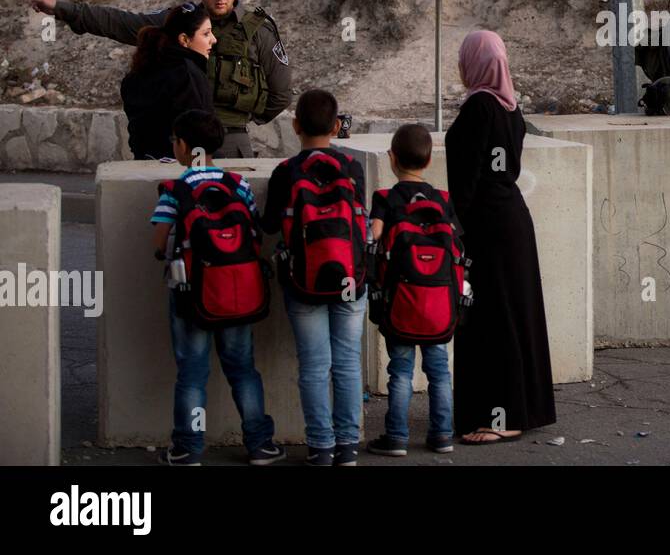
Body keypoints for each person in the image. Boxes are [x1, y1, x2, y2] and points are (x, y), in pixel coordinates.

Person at [28, 0, 291, 158]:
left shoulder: (258, 30)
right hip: (183, 145)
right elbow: (120, 22)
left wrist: (239, 117)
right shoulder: (179, 20)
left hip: (232, 143)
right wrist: (61, 9)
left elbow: (280, 94)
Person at [149, 108, 283, 466]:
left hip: (192, 294)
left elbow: (159, 240)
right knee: (242, 368)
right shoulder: (236, 184)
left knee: (192, 373)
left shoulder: (177, 189)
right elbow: (253, 229)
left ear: (182, 147)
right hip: (238, 292)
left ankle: (189, 448)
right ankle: (260, 444)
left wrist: (164, 251)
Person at [446, 30, 555, 444]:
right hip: (513, 220)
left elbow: (468, 180)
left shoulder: (478, 107)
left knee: (493, 319)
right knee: (516, 315)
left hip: (487, 227)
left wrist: (457, 228)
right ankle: (519, 409)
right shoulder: (511, 108)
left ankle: (500, 418)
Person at [259, 89, 369, 465]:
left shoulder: (285, 172)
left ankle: (321, 447)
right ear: (337, 127)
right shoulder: (352, 168)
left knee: (314, 365)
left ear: (295, 126)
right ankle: (348, 447)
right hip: (351, 281)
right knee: (348, 363)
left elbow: (270, 224)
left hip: (303, 282)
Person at [366, 123, 456, 458]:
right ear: (430, 160)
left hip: (400, 302)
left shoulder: (385, 199)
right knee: (439, 372)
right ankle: (442, 435)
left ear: (392, 158)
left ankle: (397, 437)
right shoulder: (443, 200)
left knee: (400, 371)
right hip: (438, 305)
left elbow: (373, 237)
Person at [120, 2, 216, 160]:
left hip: (144, 165)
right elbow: (199, 135)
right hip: (182, 169)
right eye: (206, 34)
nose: (214, 39)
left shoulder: (143, 68)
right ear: (184, 39)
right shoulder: (186, 73)